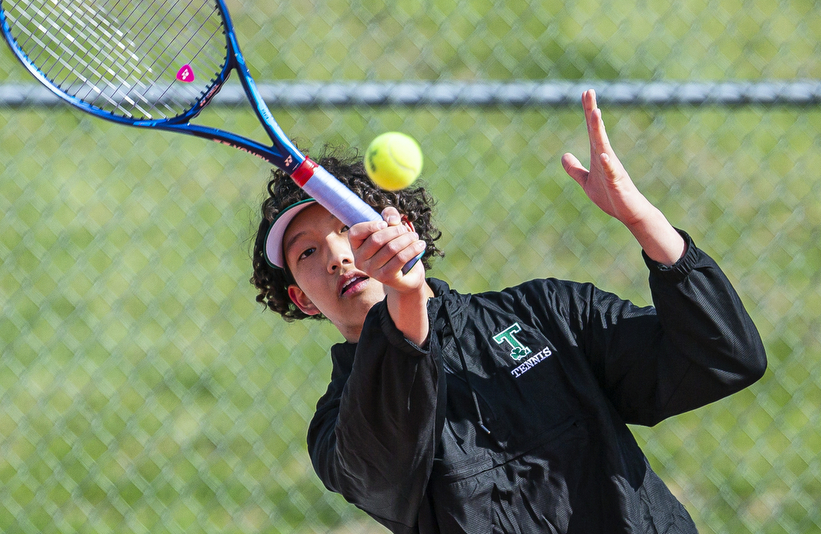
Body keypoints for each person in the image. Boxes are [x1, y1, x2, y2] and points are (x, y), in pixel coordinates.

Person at [249, 90, 767, 533]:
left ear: (398, 225)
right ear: (300, 298)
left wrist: (641, 218)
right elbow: (384, 463)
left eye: (345, 227)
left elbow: (724, 357)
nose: (338, 255)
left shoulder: (549, 313)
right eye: (307, 253)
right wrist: (403, 299)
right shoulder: (338, 429)